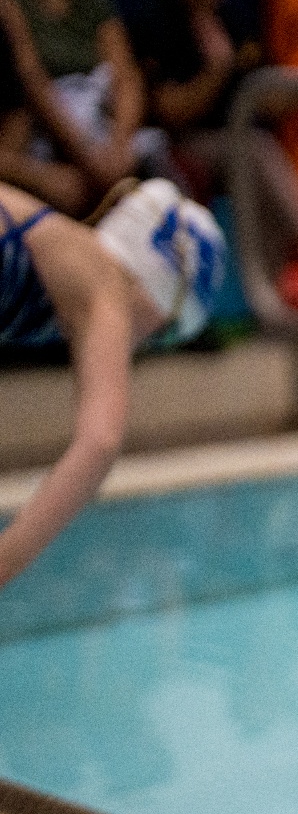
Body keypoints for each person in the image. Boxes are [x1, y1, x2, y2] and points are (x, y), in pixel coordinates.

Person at [0, 177, 223, 591]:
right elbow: (99, 444)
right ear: (161, 302)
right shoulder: (109, 291)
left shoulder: (62, 246)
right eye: (166, 333)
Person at [127, 0, 298, 316]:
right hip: (178, 144)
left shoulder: (234, 17)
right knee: (255, 150)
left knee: (257, 154)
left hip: (237, 140)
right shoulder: (155, 20)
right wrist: (216, 71)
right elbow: (168, 112)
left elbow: (265, 100)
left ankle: (267, 296)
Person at [0, 0, 160, 218]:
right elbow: (30, 83)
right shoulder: (11, 4)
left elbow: (125, 76)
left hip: (100, 128)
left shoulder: (91, 1)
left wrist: (119, 146)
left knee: (154, 177)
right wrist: (81, 155)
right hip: (50, 135)